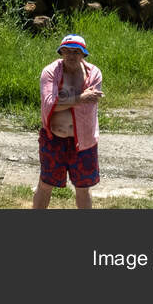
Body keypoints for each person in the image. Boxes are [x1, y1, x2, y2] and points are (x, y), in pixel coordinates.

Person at [34, 34, 102, 210]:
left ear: (83, 54)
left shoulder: (93, 73)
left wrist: (65, 101)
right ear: (61, 52)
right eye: (68, 51)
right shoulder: (50, 72)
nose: (72, 55)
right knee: (45, 184)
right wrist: (81, 97)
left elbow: (88, 106)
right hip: (53, 138)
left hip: (84, 141)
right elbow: (49, 104)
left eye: (77, 52)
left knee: (83, 188)